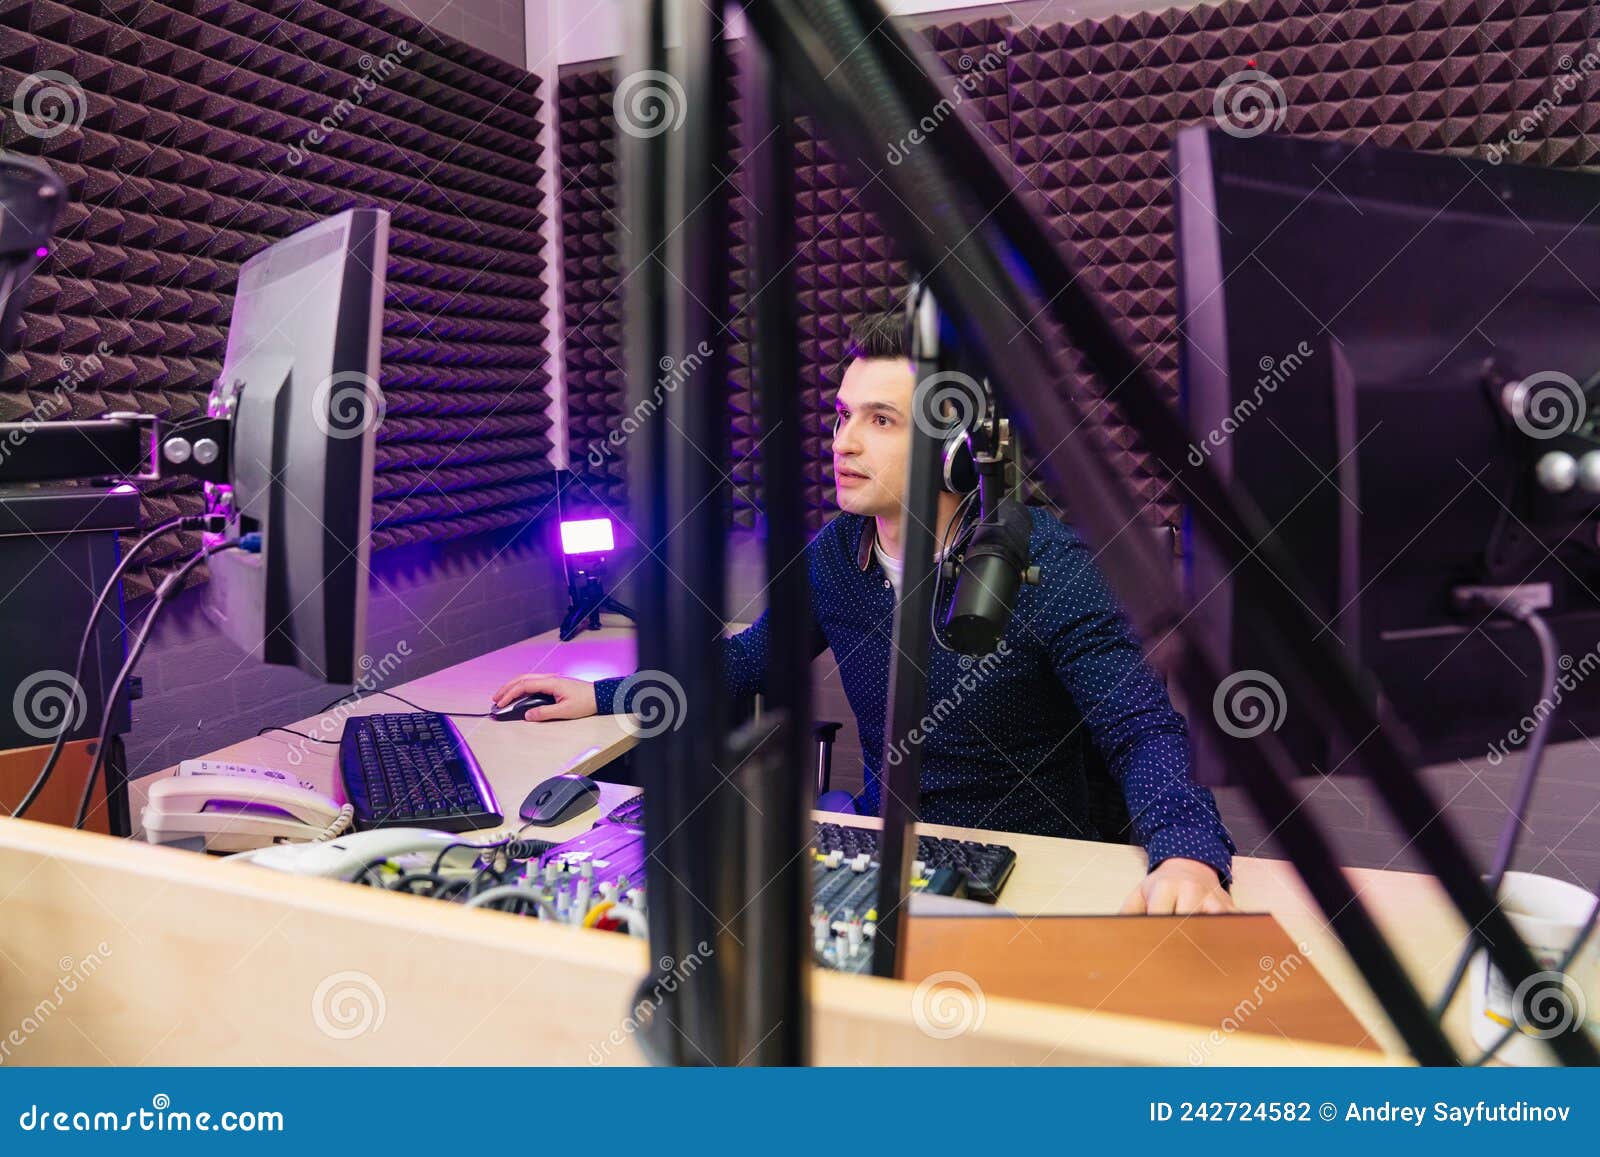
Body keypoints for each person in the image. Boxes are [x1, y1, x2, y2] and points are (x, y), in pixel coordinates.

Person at [493, 312, 1238, 914]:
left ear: (957, 449)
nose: (843, 442)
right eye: (845, 414)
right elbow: (754, 658)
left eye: (880, 420)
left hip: (1030, 877)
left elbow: (1140, 730)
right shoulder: (836, 556)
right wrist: (605, 693)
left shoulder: (1047, 565)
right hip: (892, 862)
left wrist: (1186, 854)